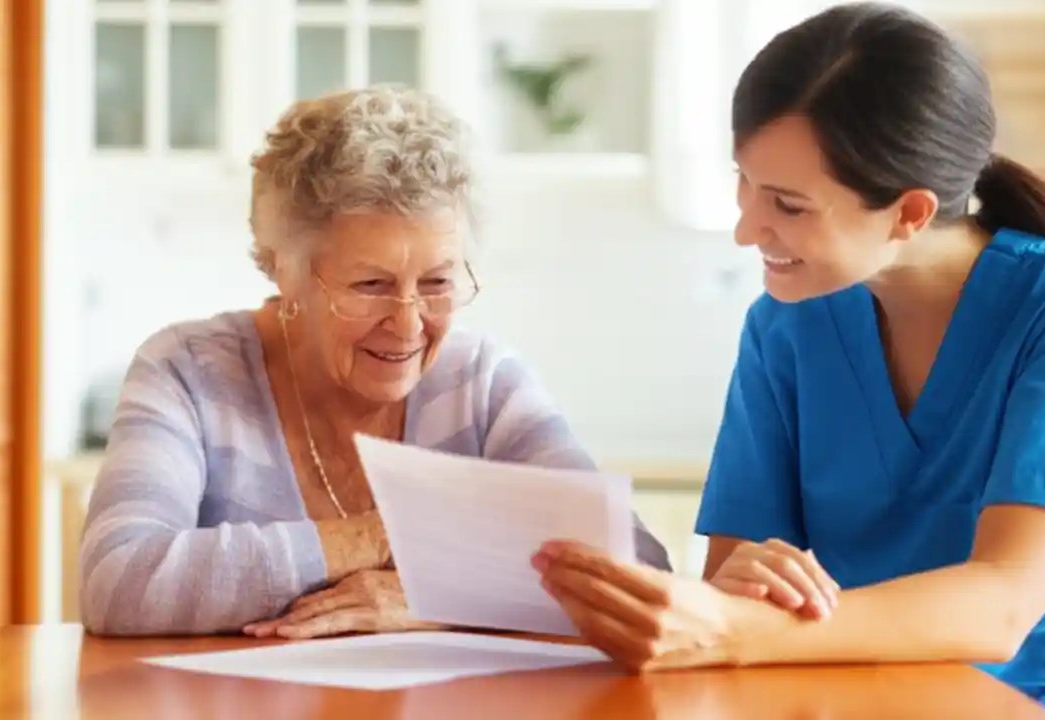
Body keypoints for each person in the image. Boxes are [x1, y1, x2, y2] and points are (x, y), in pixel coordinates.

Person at [532, 4, 1045, 718]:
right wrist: (744, 585)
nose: (748, 227)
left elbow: (1001, 605)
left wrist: (735, 625)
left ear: (908, 213)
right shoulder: (788, 322)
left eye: (787, 203)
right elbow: (733, 574)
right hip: (854, 700)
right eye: (745, 181)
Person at [79, 85, 670, 637]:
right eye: (369, 284)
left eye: (437, 280)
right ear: (281, 268)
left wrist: (437, 599)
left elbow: (635, 572)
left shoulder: (482, 385)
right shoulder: (187, 372)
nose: (410, 324)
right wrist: (372, 540)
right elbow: (119, 580)